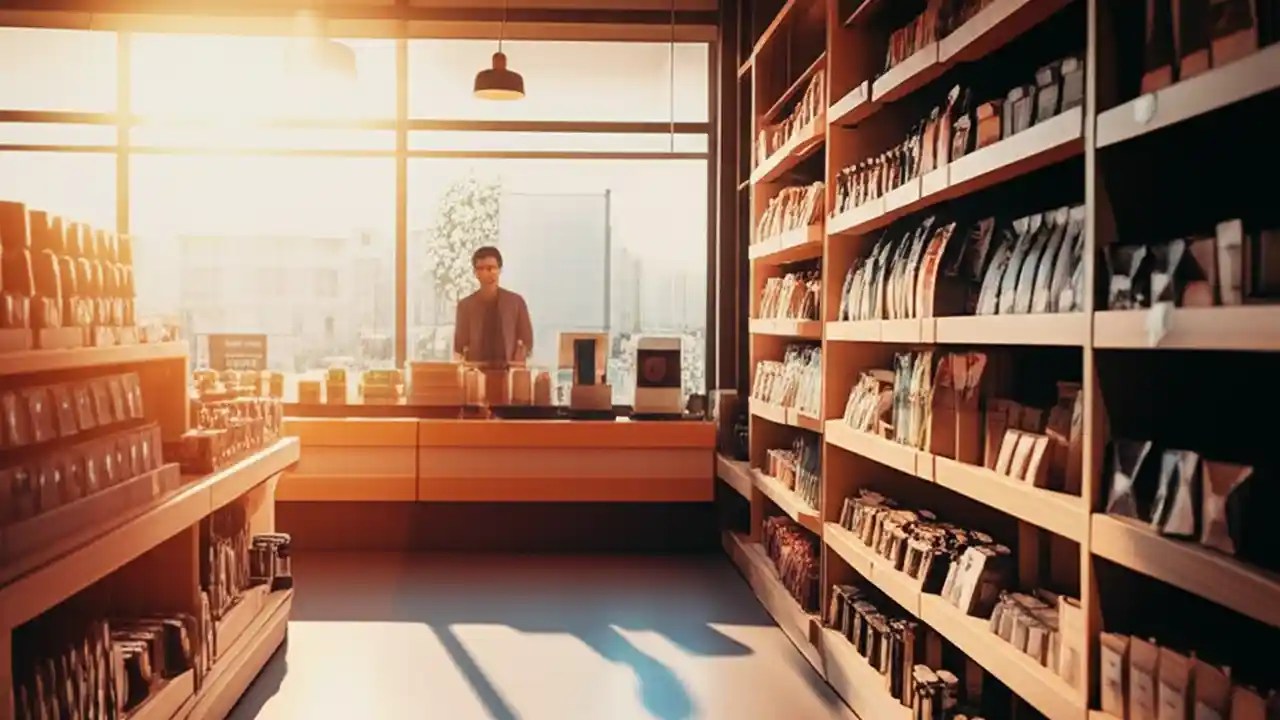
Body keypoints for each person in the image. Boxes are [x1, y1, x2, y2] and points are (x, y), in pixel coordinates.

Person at [453, 246, 533, 367]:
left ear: (499, 270)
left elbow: (527, 340)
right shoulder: (465, 306)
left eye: (491, 268)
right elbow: (459, 346)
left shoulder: (516, 302)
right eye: (481, 269)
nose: (486, 273)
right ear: (475, 273)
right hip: (476, 373)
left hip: (509, 371)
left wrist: (520, 355)